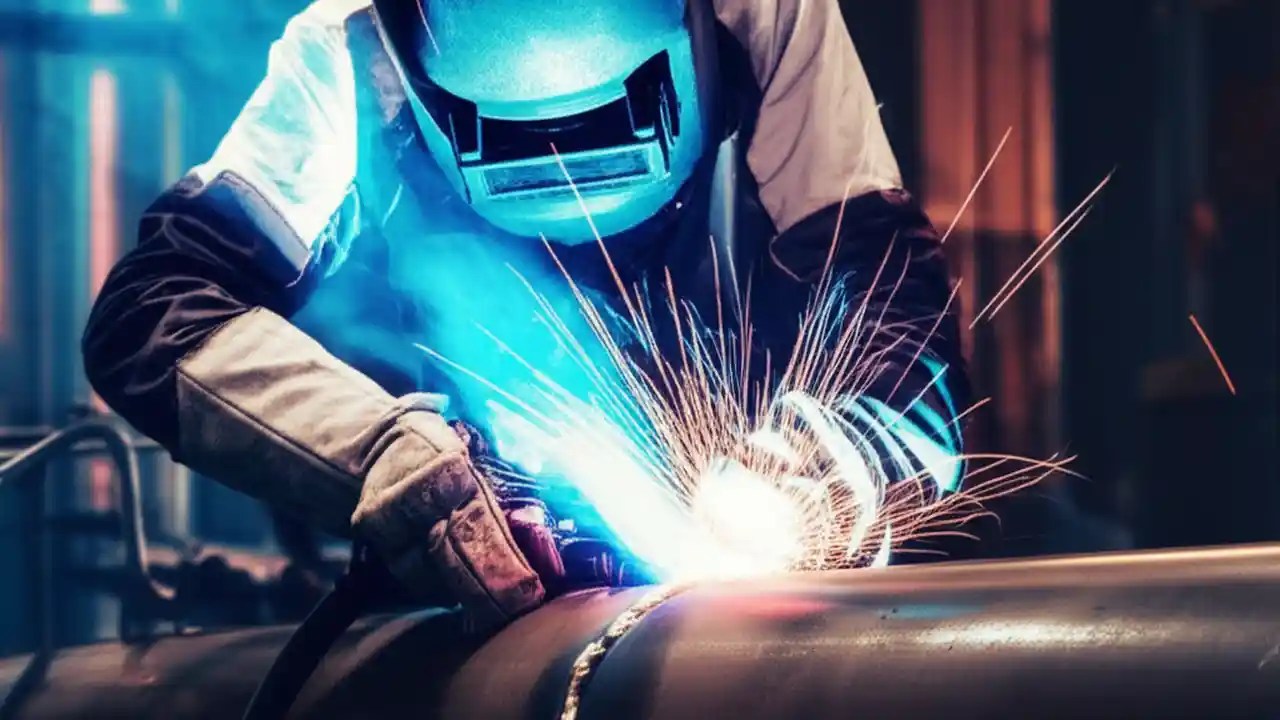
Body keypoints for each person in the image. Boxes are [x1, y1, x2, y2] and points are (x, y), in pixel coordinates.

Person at [83, 0, 968, 628]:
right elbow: (151, 313)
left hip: (767, 584)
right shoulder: (349, 51)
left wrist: (827, 471)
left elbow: (897, 323)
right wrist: (392, 462)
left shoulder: (763, 15)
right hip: (468, 596)